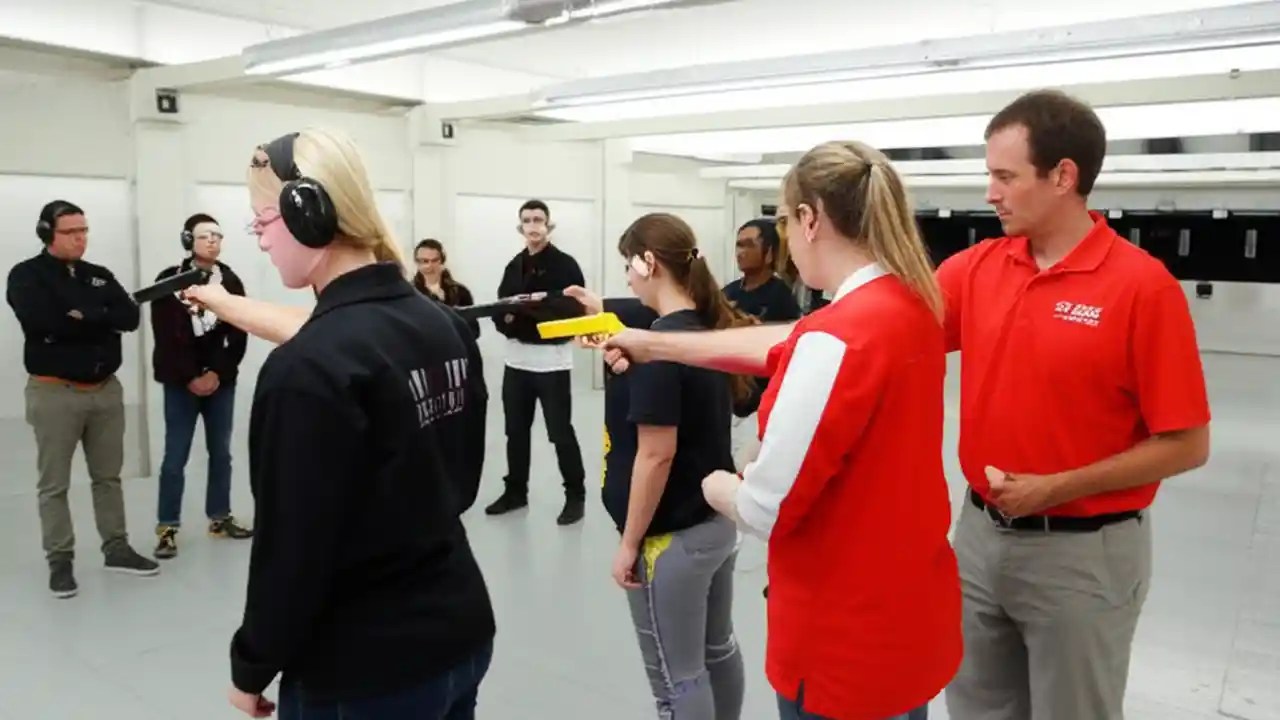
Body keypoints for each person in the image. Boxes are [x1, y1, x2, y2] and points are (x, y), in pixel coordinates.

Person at [596, 141, 964, 720]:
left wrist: (721, 483)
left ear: (810, 219)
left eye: (786, 221)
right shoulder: (910, 307)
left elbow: (768, 507)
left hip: (838, 641)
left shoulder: (836, 336)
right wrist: (656, 343)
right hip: (903, 620)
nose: (786, 238)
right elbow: (790, 342)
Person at [194, 128, 493, 720]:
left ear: (307, 215)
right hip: (460, 627)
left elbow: (290, 552)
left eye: (262, 223)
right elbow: (462, 477)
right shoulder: (443, 325)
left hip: (364, 668)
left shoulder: (304, 371)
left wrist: (253, 664)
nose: (260, 242)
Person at [936, 89, 1210, 720]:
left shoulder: (1142, 288)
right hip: (978, 536)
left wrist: (1055, 488)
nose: (990, 193)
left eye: (1004, 176)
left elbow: (1188, 444)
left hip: (1083, 555)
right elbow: (880, 330)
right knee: (976, 705)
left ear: (1064, 176)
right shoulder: (977, 268)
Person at [568, 212, 751, 720]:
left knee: (678, 678)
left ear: (649, 263)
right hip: (715, 525)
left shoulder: (654, 348)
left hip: (669, 541)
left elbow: (656, 453)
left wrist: (629, 544)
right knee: (718, 649)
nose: (627, 277)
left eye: (629, 265)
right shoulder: (703, 329)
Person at [6, 199, 160, 598]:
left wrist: (82, 315)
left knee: (108, 477)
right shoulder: (27, 276)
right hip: (55, 392)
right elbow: (44, 322)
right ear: (47, 234)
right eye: (71, 232)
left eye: (84, 230)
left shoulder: (98, 274)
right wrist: (97, 317)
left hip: (105, 392)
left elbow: (129, 317)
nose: (81, 238)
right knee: (54, 484)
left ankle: (117, 548)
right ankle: (60, 560)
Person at [149, 213, 252, 560]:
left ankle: (219, 517)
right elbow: (165, 336)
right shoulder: (169, 281)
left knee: (221, 453)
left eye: (218, 236)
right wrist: (191, 375)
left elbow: (239, 331)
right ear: (187, 239)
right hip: (181, 384)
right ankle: (167, 527)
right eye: (205, 236)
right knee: (174, 456)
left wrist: (217, 374)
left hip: (221, 382)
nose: (213, 241)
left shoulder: (232, 281)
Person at [485, 199, 589, 526]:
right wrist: (523, 316)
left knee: (560, 432)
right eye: (527, 220)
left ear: (549, 225)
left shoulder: (565, 265)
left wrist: (526, 316)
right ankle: (516, 491)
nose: (533, 225)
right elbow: (501, 312)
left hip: (552, 365)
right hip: (516, 363)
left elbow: (571, 311)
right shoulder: (513, 266)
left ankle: (575, 495)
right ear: (521, 227)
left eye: (539, 219)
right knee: (515, 431)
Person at [721, 218, 797, 471]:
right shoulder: (728, 293)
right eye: (738, 245)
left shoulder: (780, 297)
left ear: (769, 253)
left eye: (749, 245)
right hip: (727, 399)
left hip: (761, 404)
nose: (740, 252)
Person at [413, 238, 479, 338]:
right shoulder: (410, 294)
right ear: (417, 263)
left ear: (442, 261)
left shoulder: (461, 292)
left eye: (434, 261)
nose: (429, 266)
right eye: (424, 261)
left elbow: (474, 330)